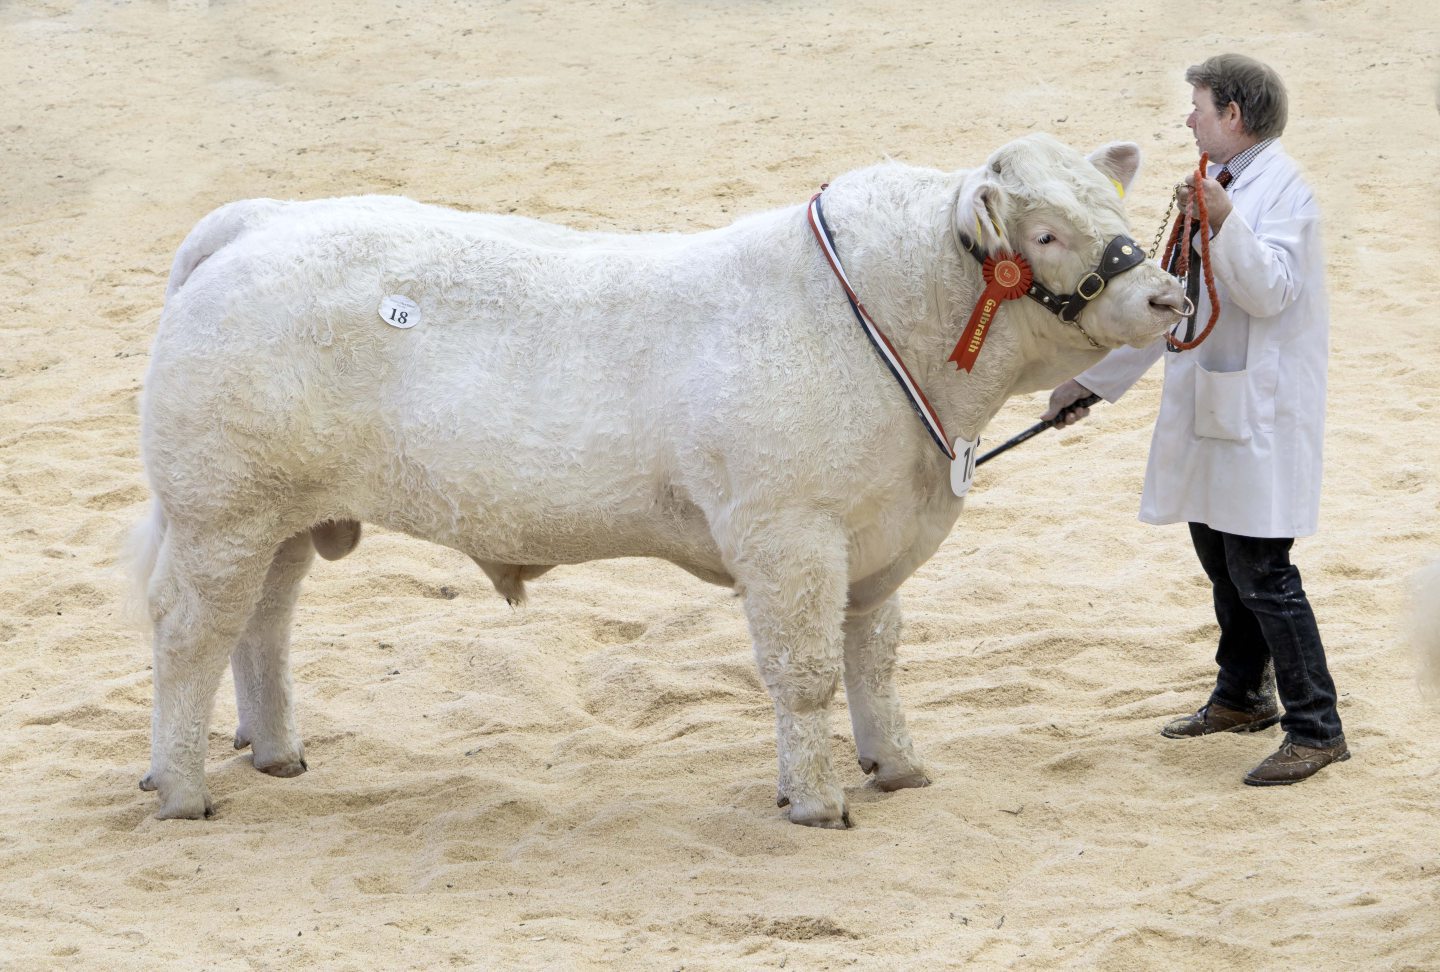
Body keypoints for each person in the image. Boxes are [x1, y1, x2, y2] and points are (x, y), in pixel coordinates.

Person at [1044, 53, 1347, 785]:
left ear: (1233, 117)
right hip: (1217, 404)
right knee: (1220, 557)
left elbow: (1270, 292)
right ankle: (1242, 696)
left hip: (1262, 414)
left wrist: (1227, 222)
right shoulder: (1219, 185)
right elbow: (1173, 302)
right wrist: (1089, 383)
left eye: (1199, 107)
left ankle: (1318, 727)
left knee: (1263, 571)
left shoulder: (1285, 193)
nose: (1188, 119)